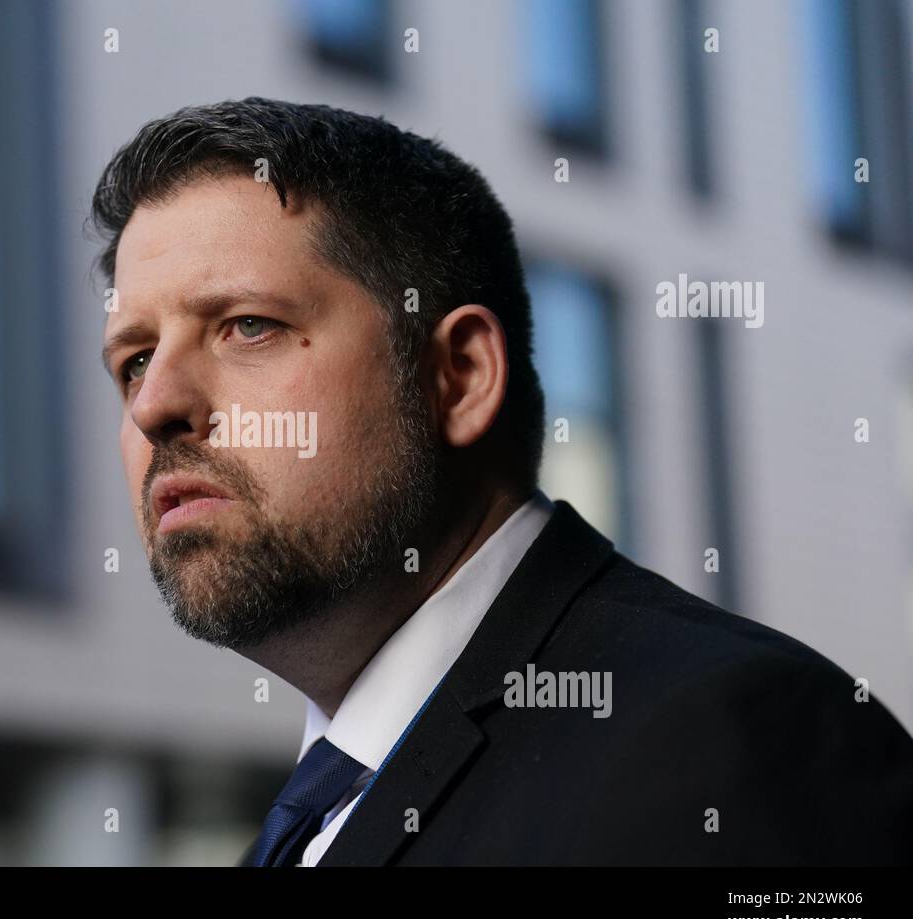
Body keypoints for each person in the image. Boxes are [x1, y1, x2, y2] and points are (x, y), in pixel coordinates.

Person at [90, 97, 913, 866]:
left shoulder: (741, 746)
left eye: (247, 327)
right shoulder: (307, 825)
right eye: (133, 362)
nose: (155, 404)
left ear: (459, 376)